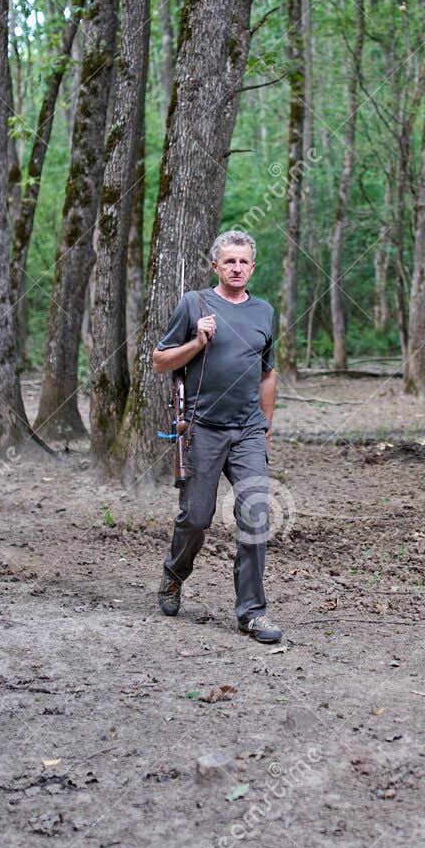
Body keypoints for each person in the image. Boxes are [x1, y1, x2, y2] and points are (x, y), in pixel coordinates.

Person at [152, 229, 282, 644]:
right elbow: (159, 361)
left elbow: (268, 372)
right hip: (203, 428)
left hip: (247, 431)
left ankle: (252, 613)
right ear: (216, 266)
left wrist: (266, 425)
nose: (237, 268)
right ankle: (174, 575)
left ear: (253, 268)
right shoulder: (196, 303)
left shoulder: (264, 311)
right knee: (196, 518)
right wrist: (197, 340)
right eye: (229, 261)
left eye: (243, 262)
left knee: (255, 517)